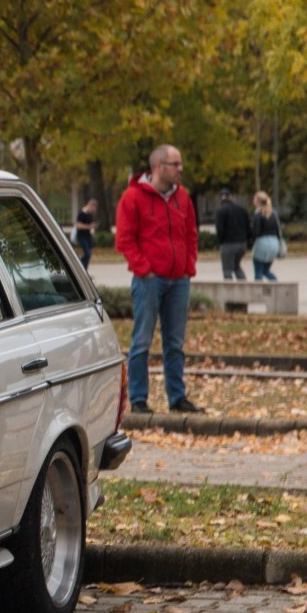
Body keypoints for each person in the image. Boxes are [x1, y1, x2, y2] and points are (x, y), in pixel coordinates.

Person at [115, 143, 202, 414]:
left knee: (175, 343)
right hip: (148, 281)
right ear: (158, 167)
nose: (180, 169)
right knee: (142, 340)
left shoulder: (182, 197)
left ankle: (177, 398)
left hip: (178, 281)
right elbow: (124, 240)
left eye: (180, 164)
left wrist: (188, 267)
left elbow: (191, 233)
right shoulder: (132, 197)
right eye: (175, 164)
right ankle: (139, 399)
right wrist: (144, 269)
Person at [214, 188, 251, 280]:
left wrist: (220, 241)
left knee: (227, 270)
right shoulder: (242, 210)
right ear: (231, 197)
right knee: (236, 267)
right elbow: (248, 227)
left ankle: (229, 290)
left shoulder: (220, 211)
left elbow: (219, 229)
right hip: (242, 244)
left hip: (228, 244)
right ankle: (243, 286)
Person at [250, 191, 283, 282]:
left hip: (262, 243)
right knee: (266, 270)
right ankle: (276, 285)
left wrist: (250, 242)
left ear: (257, 201)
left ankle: (258, 292)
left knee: (258, 271)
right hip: (274, 243)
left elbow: (256, 231)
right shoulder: (273, 213)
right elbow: (278, 230)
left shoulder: (258, 213)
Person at [73, 198, 98, 269]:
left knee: (89, 254)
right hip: (81, 236)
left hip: (88, 236)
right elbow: (78, 225)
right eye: (92, 209)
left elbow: (91, 223)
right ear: (90, 205)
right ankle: (79, 265)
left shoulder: (89, 214)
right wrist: (89, 226)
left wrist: (94, 226)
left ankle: (85, 270)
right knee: (87, 253)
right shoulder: (82, 213)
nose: (93, 211)